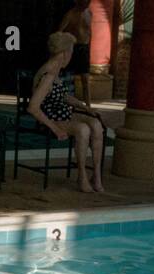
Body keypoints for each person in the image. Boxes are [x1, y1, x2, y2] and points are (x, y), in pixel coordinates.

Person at [29, 31, 105, 193]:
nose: (71, 56)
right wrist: (55, 129)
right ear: (65, 53)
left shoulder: (56, 70)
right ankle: (82, 176)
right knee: (83, 129)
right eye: (71, 51)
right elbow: (33, 107)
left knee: (96, 124)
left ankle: (96, 176)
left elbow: (63, 96)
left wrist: (85, 107)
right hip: (50, 118)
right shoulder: (48, 74)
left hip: (62, 113)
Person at [57, 0, 93, 107]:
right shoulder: (70, 15)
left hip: (84, 49)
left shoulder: (89, 13)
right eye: (84, 2)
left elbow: (89, 32)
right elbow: (58, 33)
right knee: (68, 78)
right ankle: (66, 104)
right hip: (72, 48)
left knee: (85, 80)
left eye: (88, 2)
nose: (87, 4)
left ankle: (88, 107)